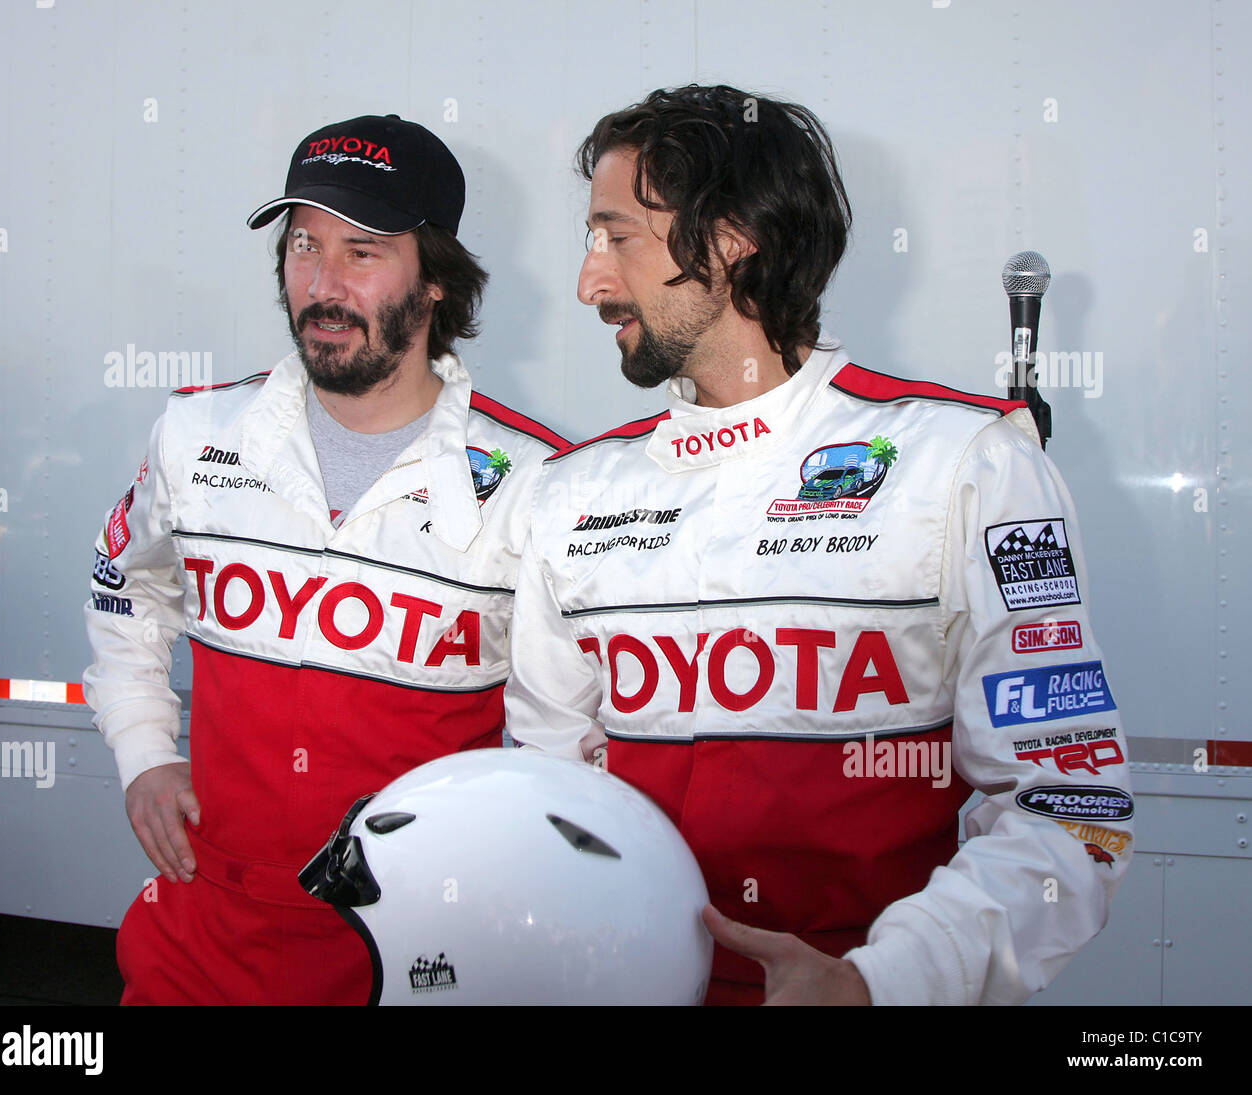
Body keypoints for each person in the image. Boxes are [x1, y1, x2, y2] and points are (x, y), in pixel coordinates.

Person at [503, 85, 1131, 1006]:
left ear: (730, 238)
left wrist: (875, 983)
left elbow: (1070, 809)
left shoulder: (965, 462)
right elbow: (545, 790)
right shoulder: (571, 491)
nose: (590, 282)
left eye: (616, 237)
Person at [84, 114, 568, 1004]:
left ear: (435, 284)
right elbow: (128, 591)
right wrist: (146, 751)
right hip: (197, 941)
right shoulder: (197, 433)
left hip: (413, 955)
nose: (322, 282)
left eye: (364, 251)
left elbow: (561, 742)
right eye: (303, 245)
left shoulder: (537, 483)